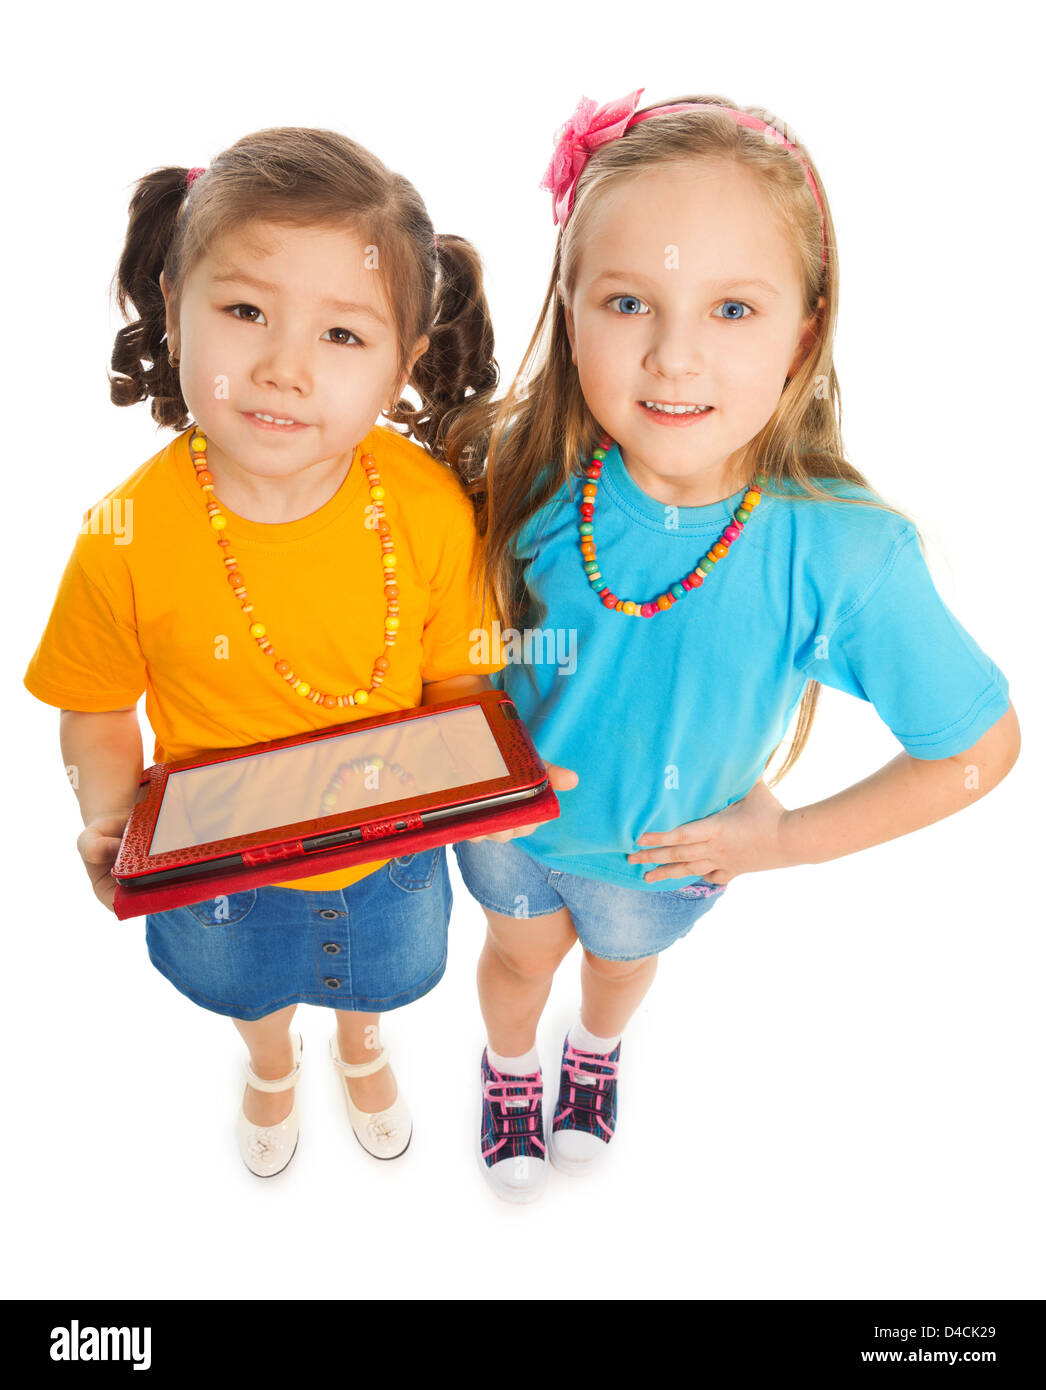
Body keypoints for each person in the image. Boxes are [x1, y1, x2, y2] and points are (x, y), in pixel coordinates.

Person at [453, 91, 1020, 1203]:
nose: (672, 358)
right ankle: (509, 1067)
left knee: (619, 962)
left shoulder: (843, 553)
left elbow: (976, 748)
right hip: (507, 834)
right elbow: (444, 649)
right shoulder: (510, 477)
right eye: (626, 300)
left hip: (671, 858)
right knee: (518, 958)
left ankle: (593, 1056)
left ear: (805, 327)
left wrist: (786, 840)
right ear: (567, 307)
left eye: (730, 310)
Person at [23, 127, 505, 1178]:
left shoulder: (424, 510)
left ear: (402, 362)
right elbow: (97, 709)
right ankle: (271, 1057)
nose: (283, 367)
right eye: (245, 311)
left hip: (389, 855)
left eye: (342, 334)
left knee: (378, 978)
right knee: (247, 985)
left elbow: (461, 683)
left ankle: (362, 1042)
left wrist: (497, 772)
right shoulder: (125, 533)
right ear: (172, 301)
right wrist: (109, 819)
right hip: (216, 866)